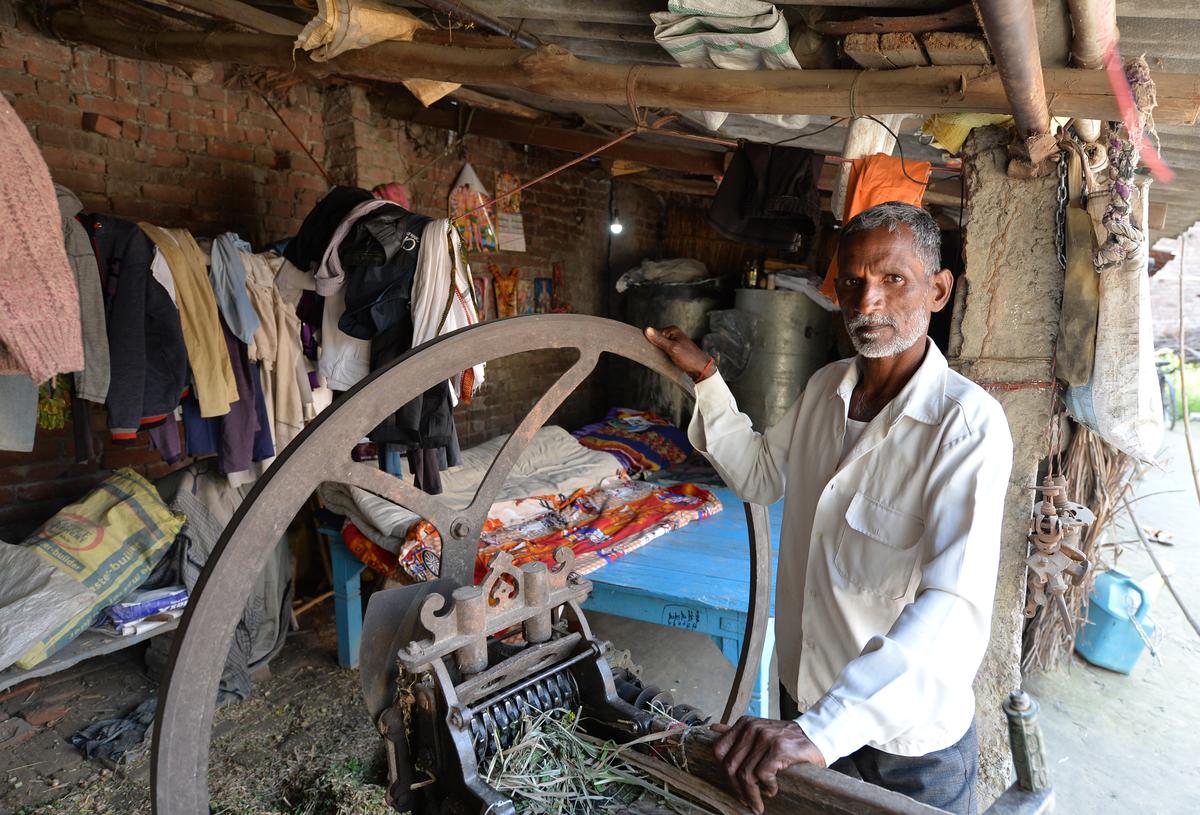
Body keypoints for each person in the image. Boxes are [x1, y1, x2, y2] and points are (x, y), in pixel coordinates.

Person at [644, 202, 1013, 815]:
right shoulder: (824, 389)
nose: (867, 301)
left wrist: (823, 729)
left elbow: (952, 606)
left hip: (903, 746)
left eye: (893, 279)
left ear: (938, 290)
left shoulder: (966, 425)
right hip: (807, 706)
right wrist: (708, 379)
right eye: (852, 280)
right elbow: (761, 477)